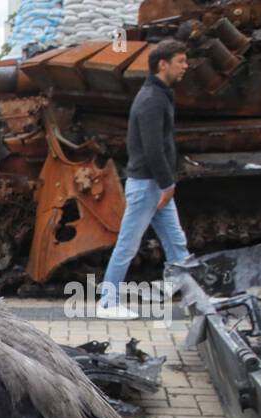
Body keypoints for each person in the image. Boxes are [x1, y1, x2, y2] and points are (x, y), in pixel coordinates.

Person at [97, 39, 192, 319]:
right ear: (163, 64)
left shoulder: (159, 94)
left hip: (153, 185)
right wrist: (167, 183)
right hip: (148, 185)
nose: (186, 67)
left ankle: (191, 296)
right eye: (181, 61)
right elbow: (153, 148)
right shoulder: (152, 99)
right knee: (127, 245)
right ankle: (107, 303)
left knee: (176, 243)